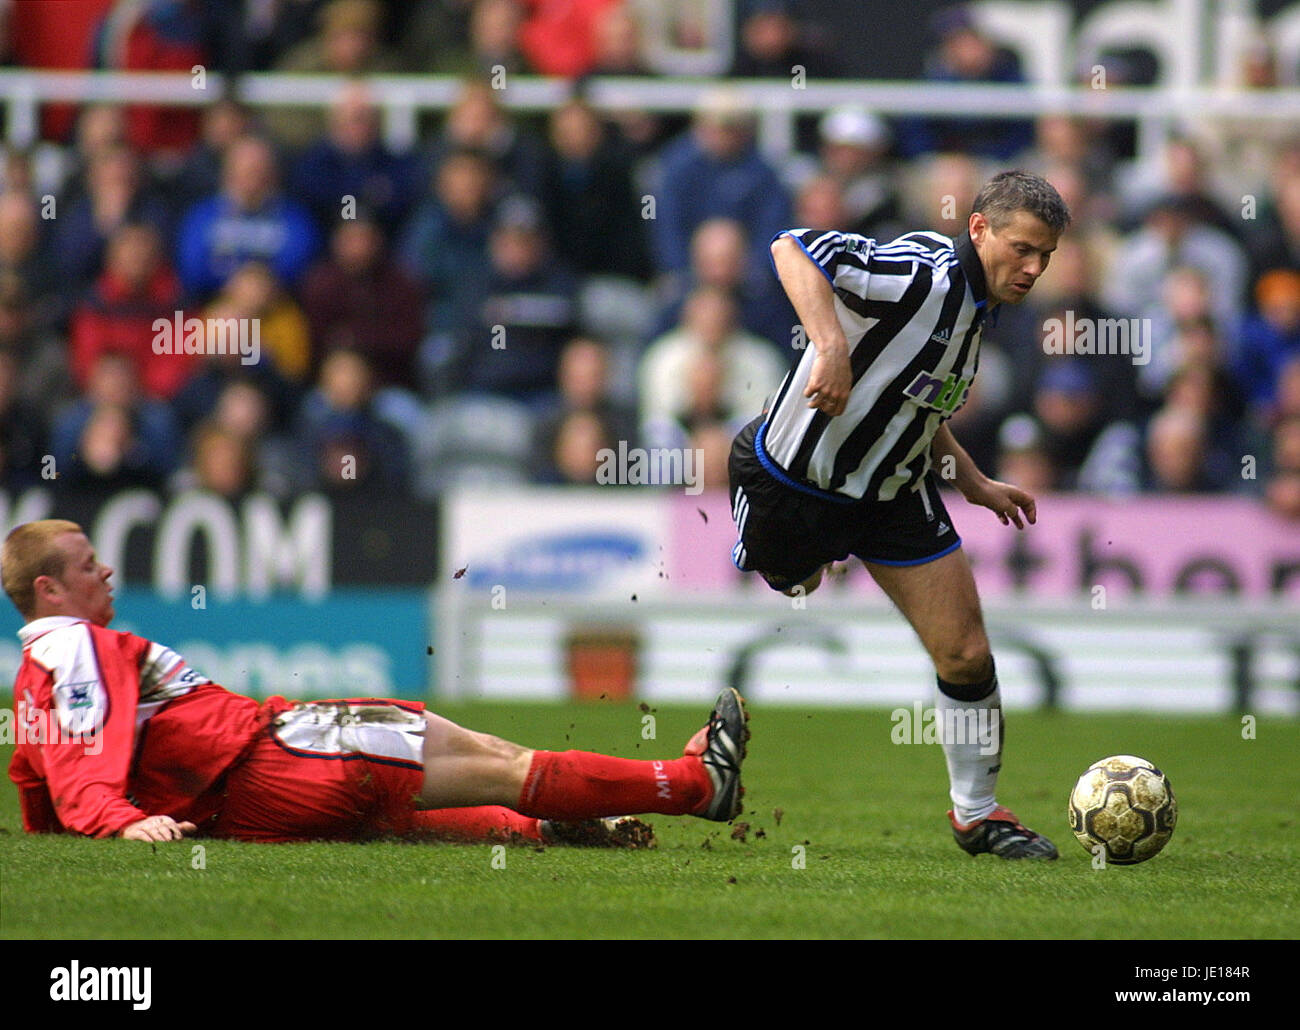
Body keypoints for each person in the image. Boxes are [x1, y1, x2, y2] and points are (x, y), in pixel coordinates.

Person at [4, 520, 748, 847]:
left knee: (415, 810)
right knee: (499, 761)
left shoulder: (31, 680)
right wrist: (121, 820)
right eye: (87, 565)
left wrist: (92, 821)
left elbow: (45, 787)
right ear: (50, 588)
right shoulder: (75, 647)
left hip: (248, 810)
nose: (105, 572)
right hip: (283, 757)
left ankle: (555, 829)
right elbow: (82, 774)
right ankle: (691, 786)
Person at [728, 169, 1068, 859]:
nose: (1032, 268)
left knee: (967, 653)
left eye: (1045, 257)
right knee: (791, 581)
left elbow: (917, 400)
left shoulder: (979, 315)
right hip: (794, 482)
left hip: (892, 493)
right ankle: (797, 561)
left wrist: (972, 480)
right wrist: (828, 344)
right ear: (979, 228)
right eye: (1022, 249)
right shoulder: (923, 274)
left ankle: (978, 814)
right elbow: (792, 246)